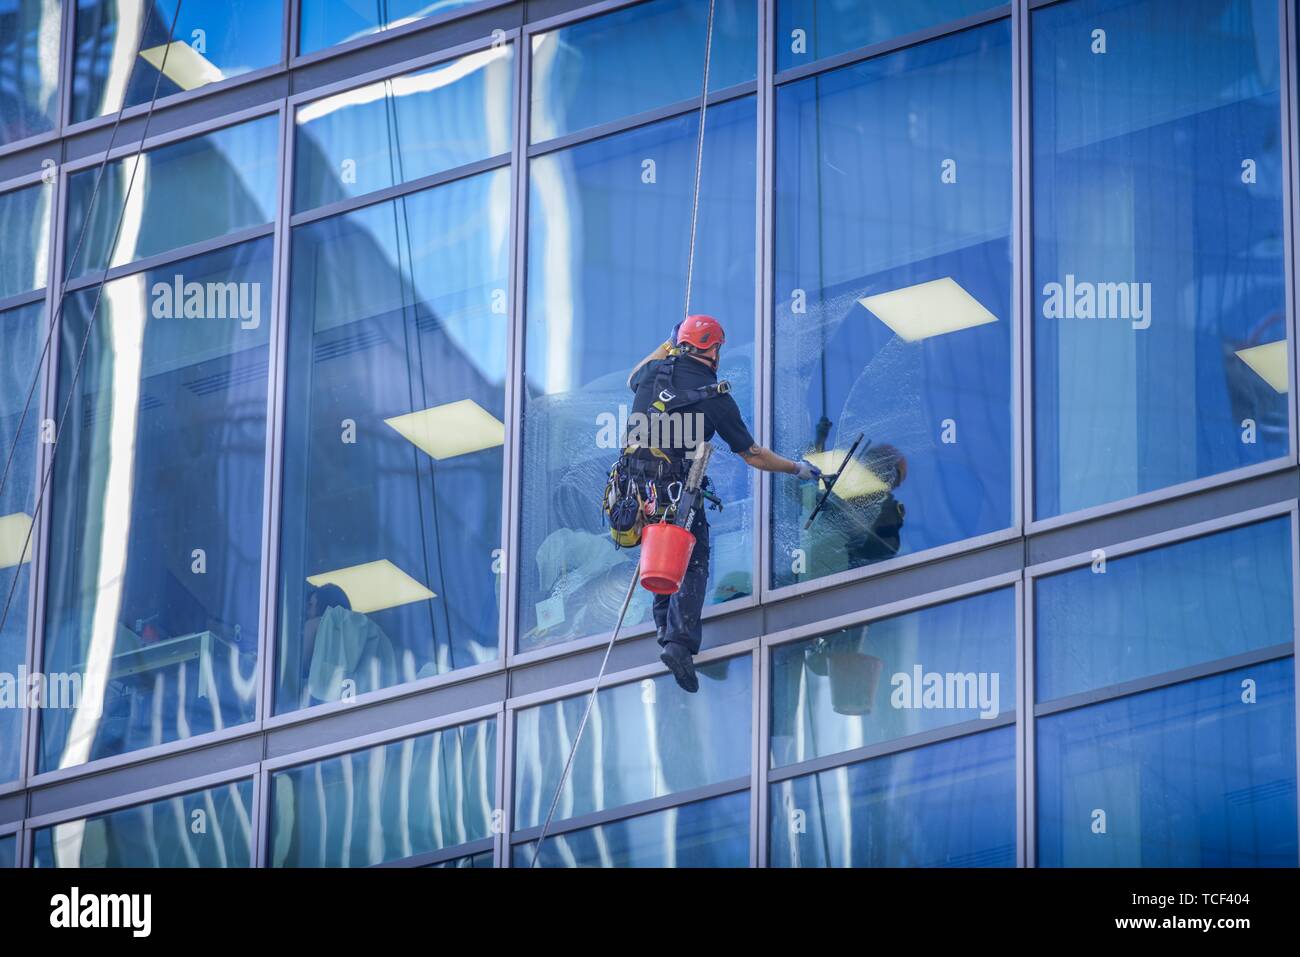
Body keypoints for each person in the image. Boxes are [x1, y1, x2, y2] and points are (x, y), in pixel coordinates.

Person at [623, 314, 823, 692]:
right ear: (713, 349)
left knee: (659, 553)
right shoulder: (715, 398)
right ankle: (678, 643)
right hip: (677, 488)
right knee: (691, 559)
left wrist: (668, 345)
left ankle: (665, 629)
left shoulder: (653, 373)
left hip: (638, 488)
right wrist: (797, 468)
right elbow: (754, 455)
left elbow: (632, 378)